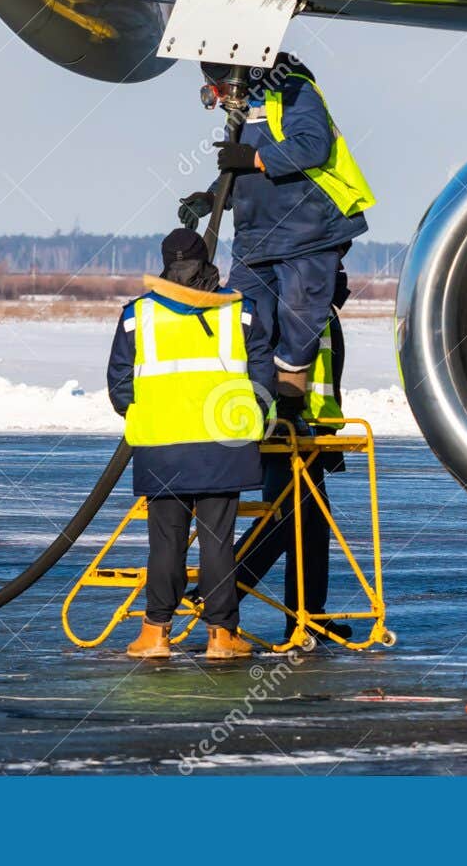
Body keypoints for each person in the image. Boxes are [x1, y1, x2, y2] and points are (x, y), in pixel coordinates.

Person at [179, 53, 373, 427]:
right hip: (256, 239)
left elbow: (313, 145)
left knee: (299, 320)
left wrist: (254, 158)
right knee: (242, 319)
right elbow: (241, 168)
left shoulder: (293, 88)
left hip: (308, 231)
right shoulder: (242, 110)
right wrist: (211, 196)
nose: (219, 100)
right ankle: (253, 406)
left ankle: (289, 408)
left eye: (219, 90)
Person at [106, 228, 264, 661]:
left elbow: (119, 381)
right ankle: (222, 637)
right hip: (222, 446)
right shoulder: (240, 311)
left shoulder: (138, 315)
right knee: (217, 542)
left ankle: (155, 633)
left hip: (162, 446)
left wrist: (141, 414)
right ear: (206, 259)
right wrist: (256, 418)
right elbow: (261, 374)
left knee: (166, 543)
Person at [233, 268, 351, 633]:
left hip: (312, 434)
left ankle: (308, 616)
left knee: (312, 528)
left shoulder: (320, 311)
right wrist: (281, 418)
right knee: (283, 523)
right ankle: (215, 594)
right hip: (283, 433)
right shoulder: (289, 308)